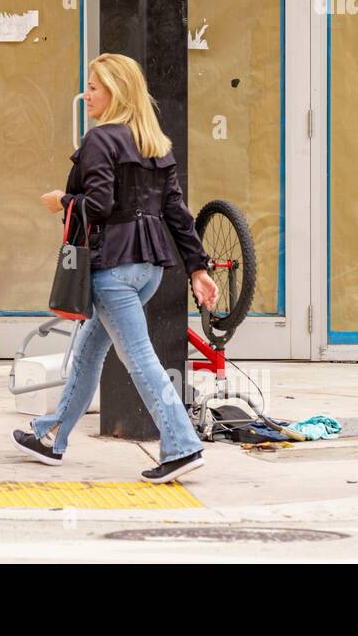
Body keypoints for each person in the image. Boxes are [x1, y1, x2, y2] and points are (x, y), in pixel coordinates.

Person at [13, 53, 219, 484]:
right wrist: (198, 270)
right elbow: (177, 214)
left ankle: (182, 447)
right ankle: (51, 436)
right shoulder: (154, 145)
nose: (85, 94)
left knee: (140, 358)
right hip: (149, 269)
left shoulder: (100, 140)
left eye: (94, 86)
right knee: (89, 352)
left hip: (113, 270)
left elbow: (101, 206)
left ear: (117, 92)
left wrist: (63, 201)